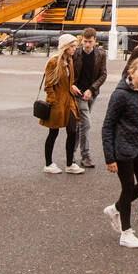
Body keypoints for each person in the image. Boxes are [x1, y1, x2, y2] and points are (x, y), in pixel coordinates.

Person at [102, 56, 138, 249]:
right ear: (131, 73)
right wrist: (109, 157)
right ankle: (126, 232)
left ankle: (115, 208)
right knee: (127, 188)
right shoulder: (120, 95)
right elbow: (107, 126)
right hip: (122, 148)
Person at [39, 33, 82, 174]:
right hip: (57, 101)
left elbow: (69, 81)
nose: (75, 48)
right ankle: (48, 163)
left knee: (72, 131)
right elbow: (48, 85)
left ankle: (70, 163)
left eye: (75, 46)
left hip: (68, 100)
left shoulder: (69, 60)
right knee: (53, 132)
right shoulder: (53, 62)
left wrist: (72, 88)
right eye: (72, 46)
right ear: (65, 47)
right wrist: (53, 101)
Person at [70, 27, 106, 170]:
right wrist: (72, 85)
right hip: (78, 94)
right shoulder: (76, 54)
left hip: (91, 93)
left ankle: (71, 152)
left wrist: (91, 90)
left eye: (90, 42)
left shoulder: (101, 55)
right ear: (81, 39)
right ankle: (85, 155)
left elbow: (103, 74)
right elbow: (70, 72)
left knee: (80, 125)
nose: (87, 45)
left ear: (95, 41)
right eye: (85, 41)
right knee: (86, 123)